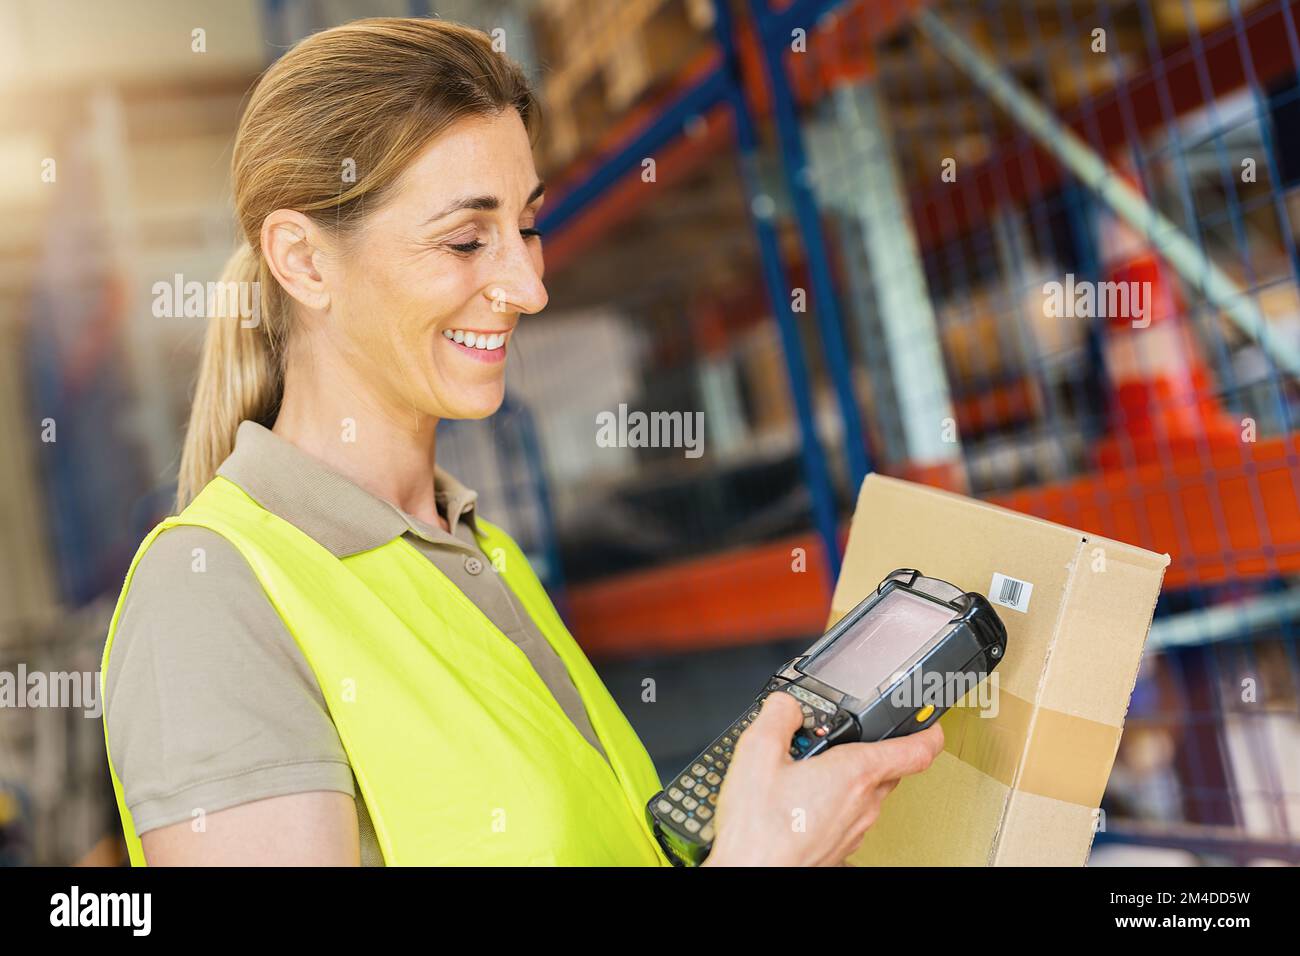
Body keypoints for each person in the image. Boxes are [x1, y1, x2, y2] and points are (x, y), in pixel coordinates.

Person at [100, 16, 943, 867]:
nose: (528, 286)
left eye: (526, 227)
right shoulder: (208, 600)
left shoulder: (481, 553)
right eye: (467, 239)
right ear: (305, 262)